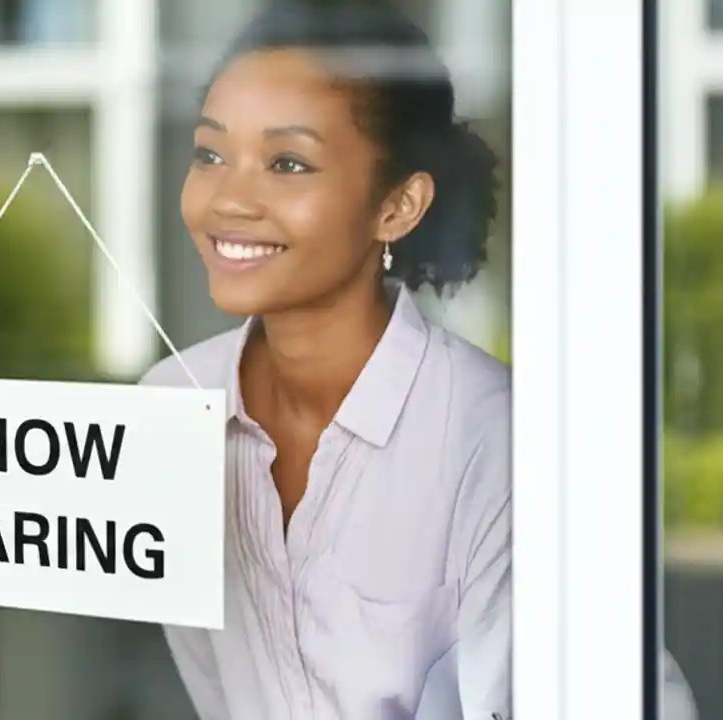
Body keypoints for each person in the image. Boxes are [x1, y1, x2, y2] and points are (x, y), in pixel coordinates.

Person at [139, 1, 507, 717]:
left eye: (287, 163)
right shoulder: (172, 406)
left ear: (398, 206)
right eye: (210, 154)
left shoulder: (490, 436)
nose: (228, 201)